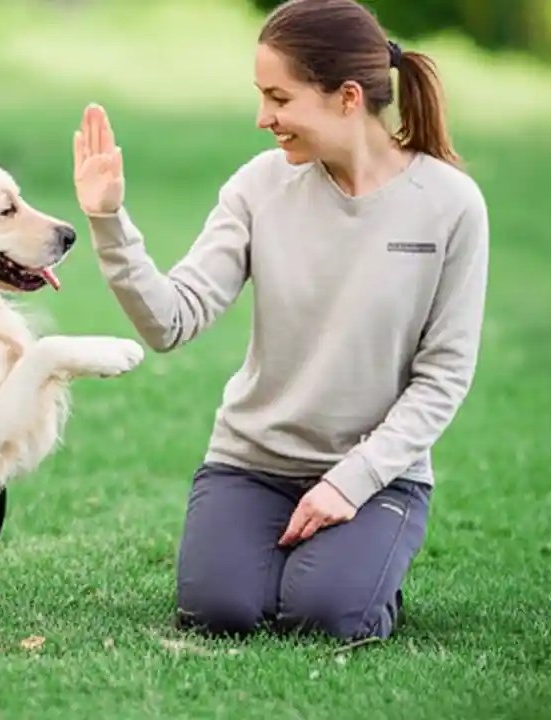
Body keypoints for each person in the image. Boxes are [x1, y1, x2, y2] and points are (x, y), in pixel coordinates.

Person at [71, 0, 489, 642]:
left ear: (347, 98)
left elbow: (443, 377)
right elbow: (171, 320)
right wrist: (108, 221)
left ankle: (358, 574)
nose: (263, 117)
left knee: (324, 617)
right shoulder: (259, 188)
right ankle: (305, 565)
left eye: (279, 98)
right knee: (220, 613)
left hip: (379, 476)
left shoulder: (450, 205)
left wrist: (349, 484)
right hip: (250, 463)